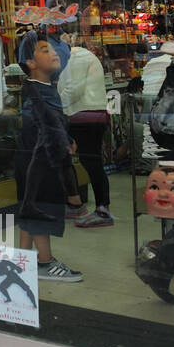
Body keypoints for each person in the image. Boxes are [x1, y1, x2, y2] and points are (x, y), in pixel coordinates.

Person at [15, 30, 86, 283]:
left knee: (30, 207)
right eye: (45, 50)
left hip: (38, 157)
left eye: (53, 49)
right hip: (39, 159)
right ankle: (44, 262)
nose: (54, 53)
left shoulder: (44, 86)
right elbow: (39, 124)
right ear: (31, 63)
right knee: (41, 207)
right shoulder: (34, 91)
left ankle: (22, 260)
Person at [57, 37, 114, 227]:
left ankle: (102, 209)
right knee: (89, 162)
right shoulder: (73, 57)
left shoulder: (77, 57)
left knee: (92, 163)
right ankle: (83, 206)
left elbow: (74, 88)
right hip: (85, 114)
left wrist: (56, 106)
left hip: (86, 115)